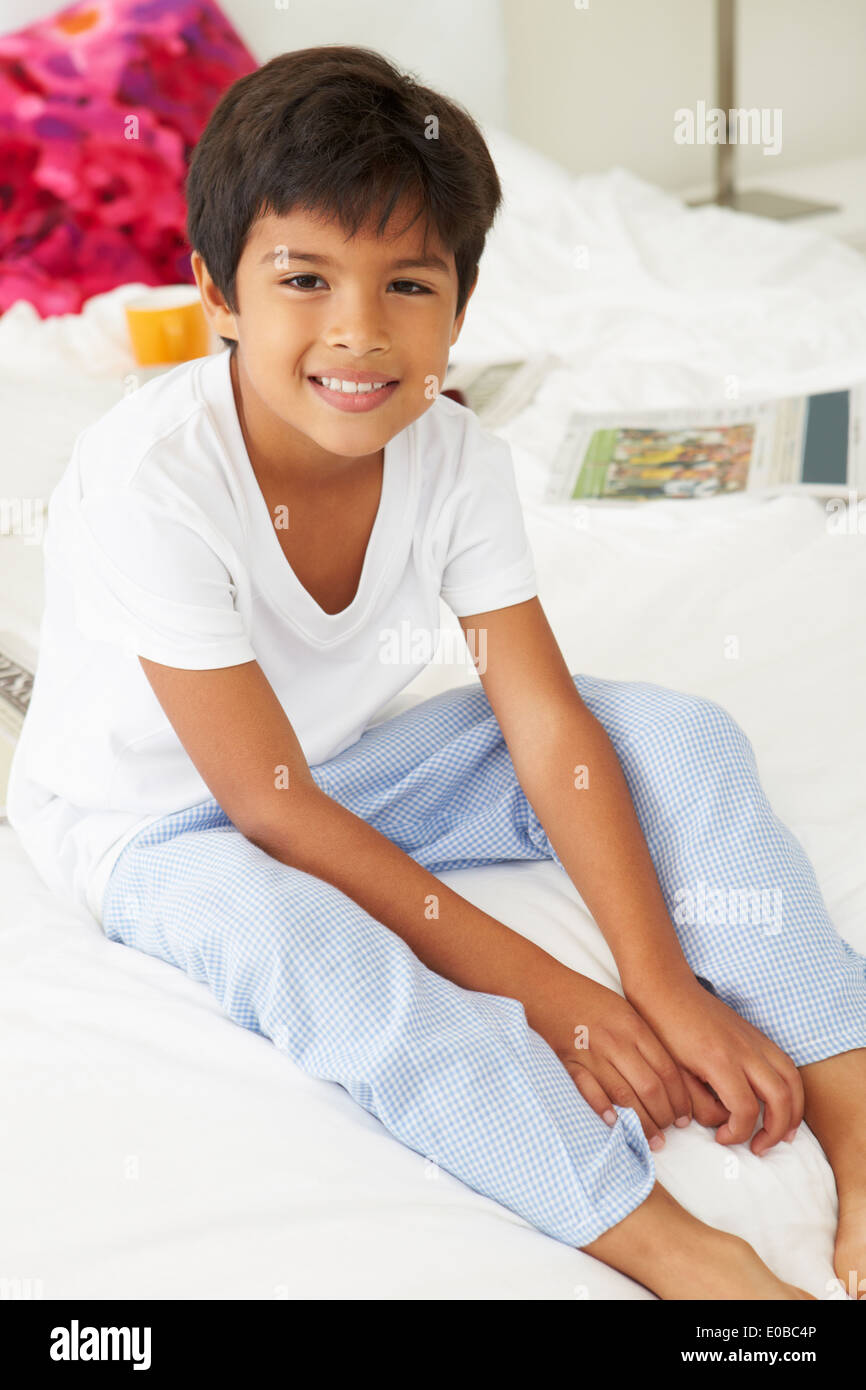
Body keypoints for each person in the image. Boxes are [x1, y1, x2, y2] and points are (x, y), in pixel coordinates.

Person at [8, 45, 865, 1301]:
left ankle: (852, 1110)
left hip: (353, 774)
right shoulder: (155, 477)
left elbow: (538, 711)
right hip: (166, 827)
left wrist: (661, 982)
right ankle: (681, 1254)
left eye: (406, 284)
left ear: (458, 309)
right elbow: (267, 807)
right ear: (218, 294)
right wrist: (565, 997)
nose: (358, 332)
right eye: (303, 279)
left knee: (670, 733)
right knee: (307, 950)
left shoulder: (452, 452)